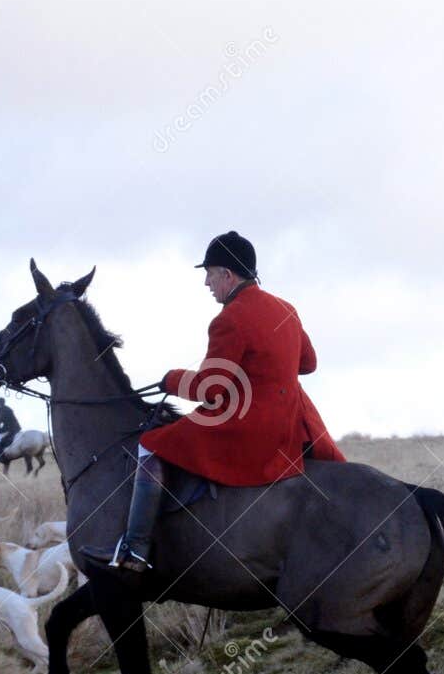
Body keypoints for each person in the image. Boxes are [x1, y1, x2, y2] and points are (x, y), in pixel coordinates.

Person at [86, 231, 345, 572]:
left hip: (246, 424)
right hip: (291, 422)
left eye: (209, 273)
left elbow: (211, 389)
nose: (207, 283)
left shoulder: (229, 319)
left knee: (150, 444)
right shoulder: (286, 309)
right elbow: (307, 364)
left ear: (228, 274)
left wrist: (172, 378)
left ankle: (135, 549)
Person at [0, 397, 20, 462]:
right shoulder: (9, 409)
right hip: (16, 427)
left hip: (9, 428)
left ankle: (0, 456)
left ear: (0, 403)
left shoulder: (0, 409)